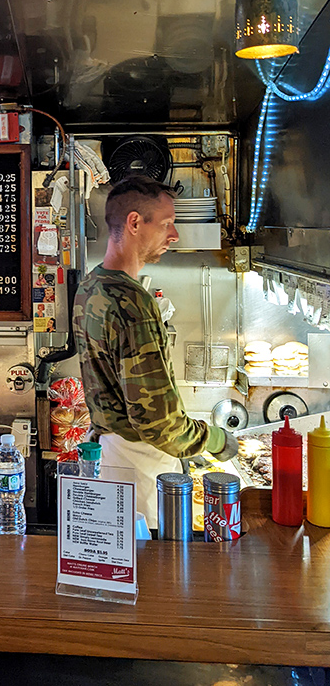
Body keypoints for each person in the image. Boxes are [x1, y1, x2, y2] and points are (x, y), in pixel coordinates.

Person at [72, 175, 238, 527]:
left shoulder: (91, 284)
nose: (174, 235)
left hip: (107, 453)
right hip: (140, 470)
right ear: (135, 223)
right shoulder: (133, 303)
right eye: (166, 224)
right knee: (153, 576)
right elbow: (157, 422)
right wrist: (215, 440)